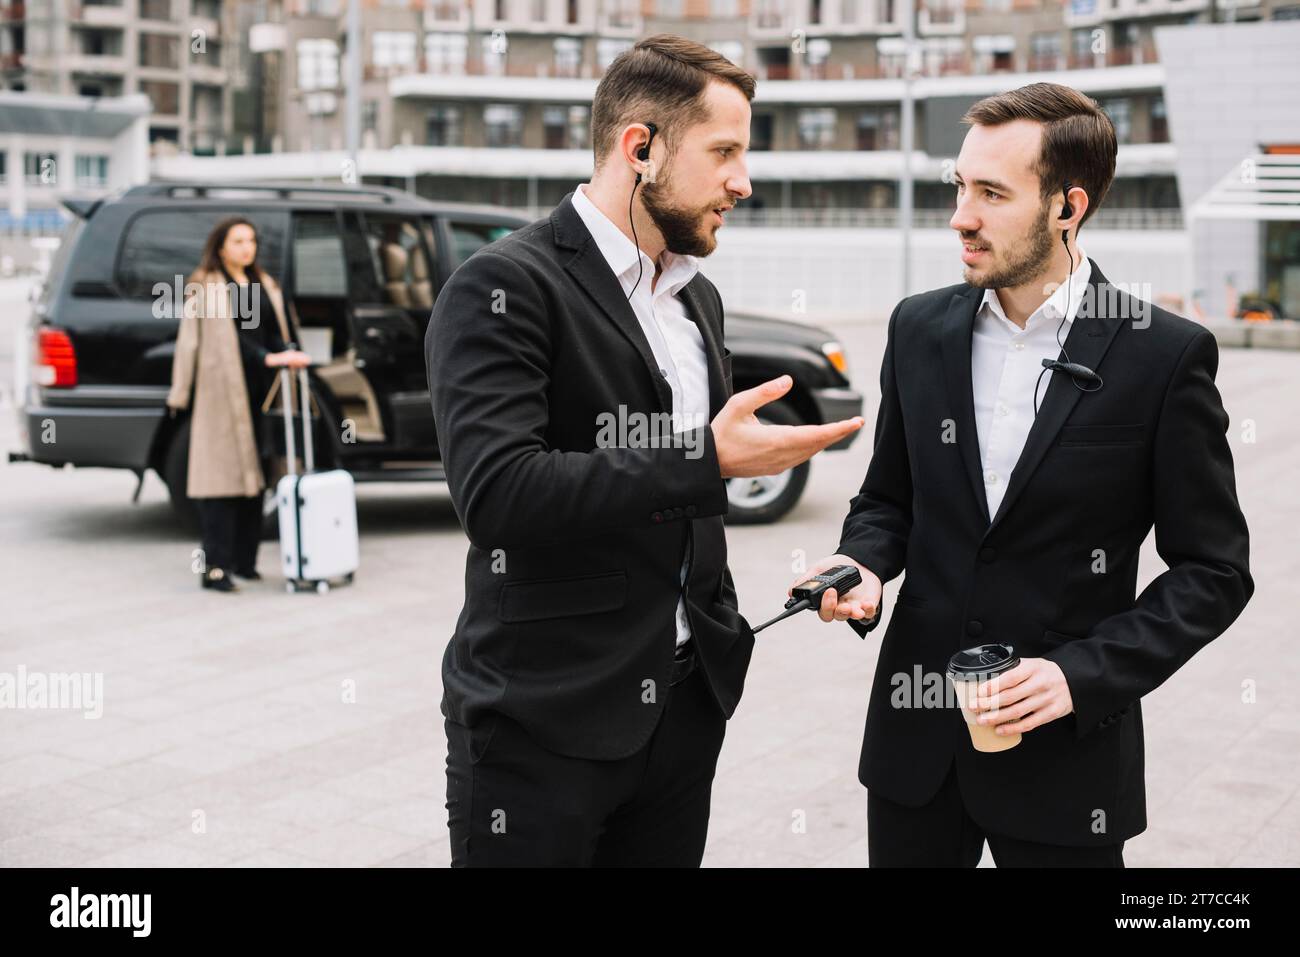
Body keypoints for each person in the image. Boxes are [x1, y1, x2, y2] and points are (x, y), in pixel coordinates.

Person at [427, 34, 863, 866]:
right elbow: (498, 494)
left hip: (682, 713)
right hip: (539, 726)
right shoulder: (503, 285)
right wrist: (709, 459)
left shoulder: (699, 301)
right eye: (725, 152)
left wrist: (717, 634)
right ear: (641, 148)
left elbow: (676, 508)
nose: (744, 180)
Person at [798, 82, 1253, 866]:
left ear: (1067, 207)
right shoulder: (917, 327)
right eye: (959, 187)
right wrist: (863, 562)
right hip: (917, 753)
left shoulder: (1164, 354)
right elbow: (887, 500)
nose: (960, 216)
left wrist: (1081, 675)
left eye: (991, 193)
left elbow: (1214, 571)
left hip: (1067, 764)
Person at [166, 217, 311, 592]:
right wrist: (180, 393)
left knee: (257, 478)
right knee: (221, 482)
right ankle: (215, 566)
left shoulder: (264, 285)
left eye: (251, 240)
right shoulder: (206, 288)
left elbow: (275, 333)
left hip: (262, 391)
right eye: (238, 241)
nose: (247, 248)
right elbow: (193, 344)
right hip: (222, 390)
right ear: (220, 247)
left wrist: (287, 354)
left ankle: (245, 562)